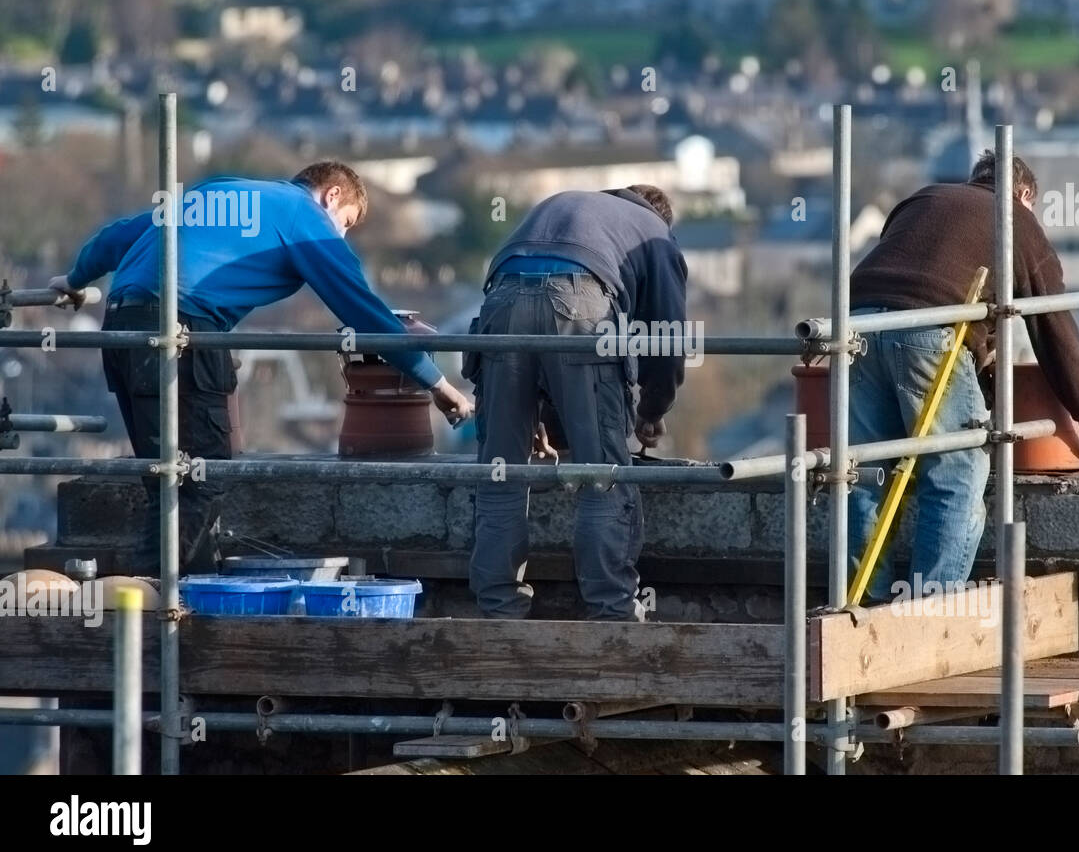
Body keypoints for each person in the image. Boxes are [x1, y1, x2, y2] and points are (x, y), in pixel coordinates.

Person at [50, 161, 473, 575]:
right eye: (346, 223)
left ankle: (180, 605)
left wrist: (74, 279)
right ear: (332, 195)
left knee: (167, 481)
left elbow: (117, 237)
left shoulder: (220, 193)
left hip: (122, 325)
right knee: (200, 479)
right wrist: (435, 383)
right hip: (178, 331)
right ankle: (145, 611)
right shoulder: (303, 217)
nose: (341, 236)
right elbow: (364, 309)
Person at [846, 150, 1079, 601]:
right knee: (957, 470)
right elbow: (1055, 330)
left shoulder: (925, 198)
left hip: (856, 327)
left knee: (869, 470)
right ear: (1024, 194)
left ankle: (863, 602)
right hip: (929, 330)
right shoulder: (1015, 220)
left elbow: (923, 275)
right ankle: (929, 608)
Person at [464, 185, 687, 621]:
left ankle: (499, 613)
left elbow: (533, 304)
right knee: (602, 473)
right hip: (579, 299)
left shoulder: (572, 207)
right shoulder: (654, 233)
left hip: (500, 300)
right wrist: (652, 411)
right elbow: (668, 336)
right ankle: (612, 612)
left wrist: (547, 421)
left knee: (501, 471)